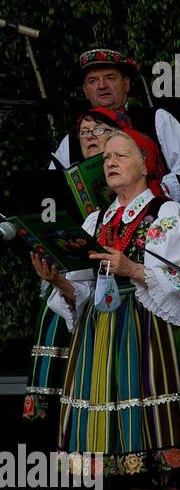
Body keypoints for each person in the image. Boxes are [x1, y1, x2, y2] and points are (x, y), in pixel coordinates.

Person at [32, 129, 180, 490]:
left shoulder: (167, 214)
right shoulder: (95, 218)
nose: (110, 162)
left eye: (121, 154)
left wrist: (133, 269)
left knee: (162, 430)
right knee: (125, 432)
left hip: (150, 328)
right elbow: (81, 290)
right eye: (106, 157)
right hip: (103, 330)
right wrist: (58, 281)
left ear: (147, 163)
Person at [24, 108, 129, 422]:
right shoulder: (63, 181)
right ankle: (52, 434)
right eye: (84, 133)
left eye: (98, 130)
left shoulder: (129, 183)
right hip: (67, 283)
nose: (90, 137)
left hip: (110, 294)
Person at [53, 47, 180, 204]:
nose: (101, 86)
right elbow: (52, 191)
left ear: (126, 83)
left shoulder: (157, 120)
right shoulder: (71, 140)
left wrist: (145, 197)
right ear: (85, 90)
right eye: (92, 81)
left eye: (110, 77)